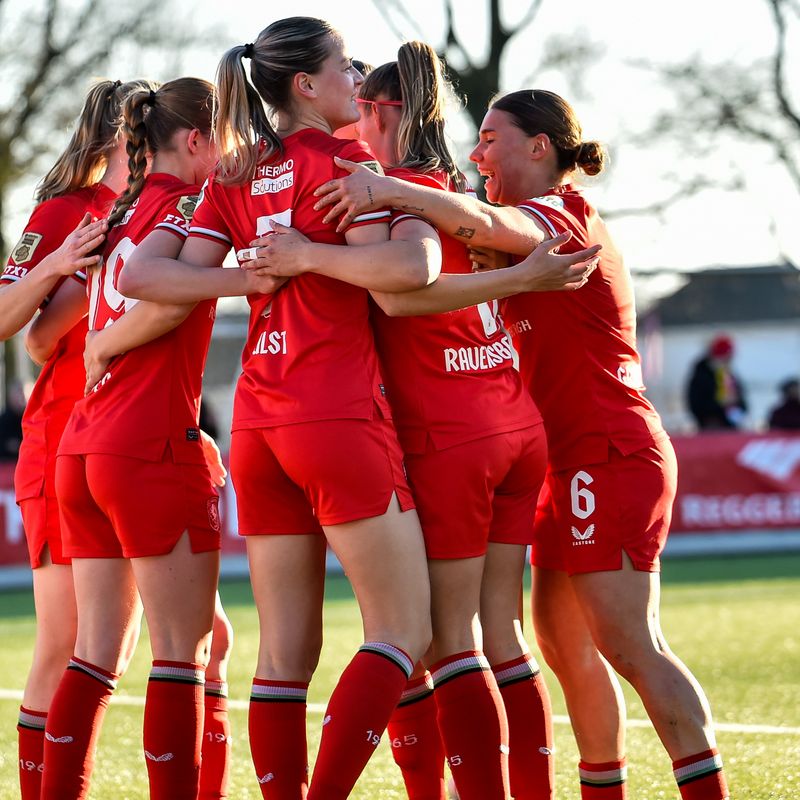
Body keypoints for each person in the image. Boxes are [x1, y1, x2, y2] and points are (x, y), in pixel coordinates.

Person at [311, 88, 730, 800]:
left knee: (632, 645)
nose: (477, 154)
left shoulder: (557, 214)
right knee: (566, 648)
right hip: (567, 459)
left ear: (541, 149)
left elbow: (473, 218)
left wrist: (386, 187)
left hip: (608, 452)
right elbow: (430, 273)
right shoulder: (528, 227)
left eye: (491, 138)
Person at [242, 42, 571, 800]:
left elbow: (400, 289)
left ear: (381, 114)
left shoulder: (391, 191)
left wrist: (303, 256)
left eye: (362, 101)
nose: (349, 112)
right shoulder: (447, 184)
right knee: (495, 634)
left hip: (445, 432)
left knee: (436, 641)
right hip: (506, 419)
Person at [118, 18, 437, 800]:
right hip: (334, 414)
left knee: (283, 657)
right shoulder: (344, 158)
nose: (357, 80)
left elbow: (143, 279)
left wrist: (245, 282)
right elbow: (412, 270)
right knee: (406, 633)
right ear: (305, 84)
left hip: (258, 424)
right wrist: (305, 259)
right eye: (345, 67)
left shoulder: (233, 173)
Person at [41, 77, 228, 800]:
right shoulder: (187, 205)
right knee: (183, 654)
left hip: (84, 447)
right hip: (149, 443)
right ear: (195, 141)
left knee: (93, 657)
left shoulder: (122, 213)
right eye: (227, 139)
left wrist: (97, 347)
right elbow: (164, 304)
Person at [0, 78, 145, 800]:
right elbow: (17, 330)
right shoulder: (66, 210)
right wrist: (61, 265)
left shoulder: (155, 210)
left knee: (185, 637)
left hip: (129, 440)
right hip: (62, 439)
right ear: (126, 135)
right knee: (67, 642)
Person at [687, 334, 747, 430]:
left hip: (731, 427)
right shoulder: (701, 376)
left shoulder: (729, 374)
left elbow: (742, 402)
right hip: (710, 428)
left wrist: (737, 406)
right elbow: (696, 405)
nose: (728, 361)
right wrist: (720, 405)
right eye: (726, 358)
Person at [0, 380, 26, 461]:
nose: (21, 397)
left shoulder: (28, 419)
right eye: (18, 393)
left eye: (22, 393)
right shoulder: (3, 420)